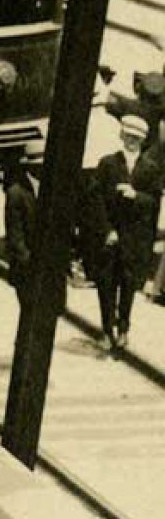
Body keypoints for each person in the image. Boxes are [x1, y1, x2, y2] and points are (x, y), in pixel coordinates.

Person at [84, 114, 163, 350]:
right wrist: (107, 229)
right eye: (128, 136)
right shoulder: (108, 164)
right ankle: (107, 330)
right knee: (106, 283)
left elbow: (154, 202)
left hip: (134, 239)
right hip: (110, 235)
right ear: (121, 136)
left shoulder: (150, 169)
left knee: (128, 284)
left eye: (136, 138)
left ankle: (124, 328)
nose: (131, 141)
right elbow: (95, 199)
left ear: (143, 141)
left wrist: (136, 196)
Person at [4, 139, 43, 308]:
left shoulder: (53, 187)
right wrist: (29, 262)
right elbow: (15, 234)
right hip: (26, 266)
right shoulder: (16, 193)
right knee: (29, 309)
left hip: (48, 266)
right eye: (37, 165)